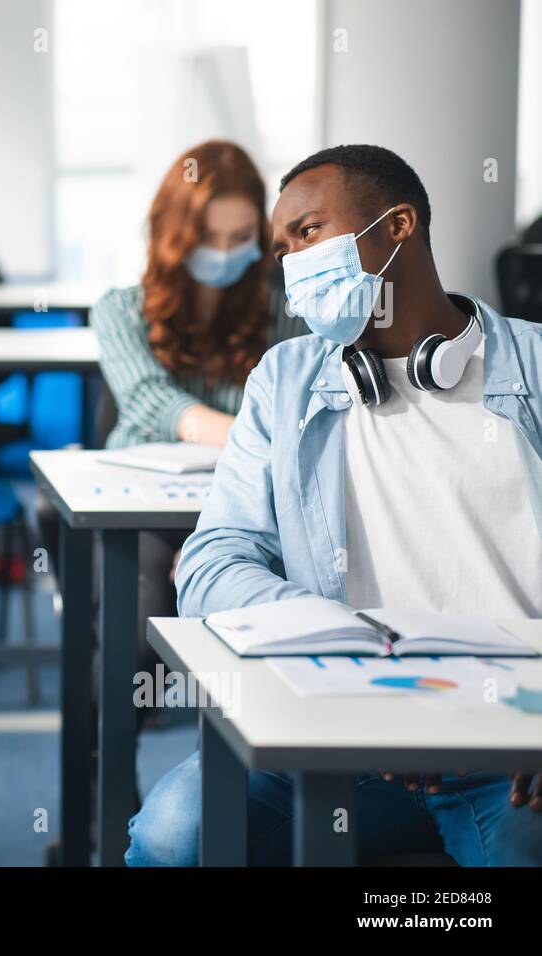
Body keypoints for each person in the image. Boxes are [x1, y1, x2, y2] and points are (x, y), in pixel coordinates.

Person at [126, 144, 542, 866]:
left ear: (397, 225)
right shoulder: (287, 380)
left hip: (513, 747)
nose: (291, 261)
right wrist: (351, 659)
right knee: (172, 832)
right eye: (282, 246)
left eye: (308, 231)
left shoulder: (534, 368)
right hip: (342, 738)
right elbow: (213, 560)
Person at [43, 141, 305, 670]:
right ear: (174, 233)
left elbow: (299, 408)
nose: (226, 252)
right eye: (210, 238)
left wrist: (214, 543)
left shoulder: (284, 313)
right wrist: (252, 438)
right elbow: (151, 402)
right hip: (152, 511)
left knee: (280, 621)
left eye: (239, 238)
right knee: (141, 634)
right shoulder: (120, 311)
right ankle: (105, 747)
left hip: (252, 504)